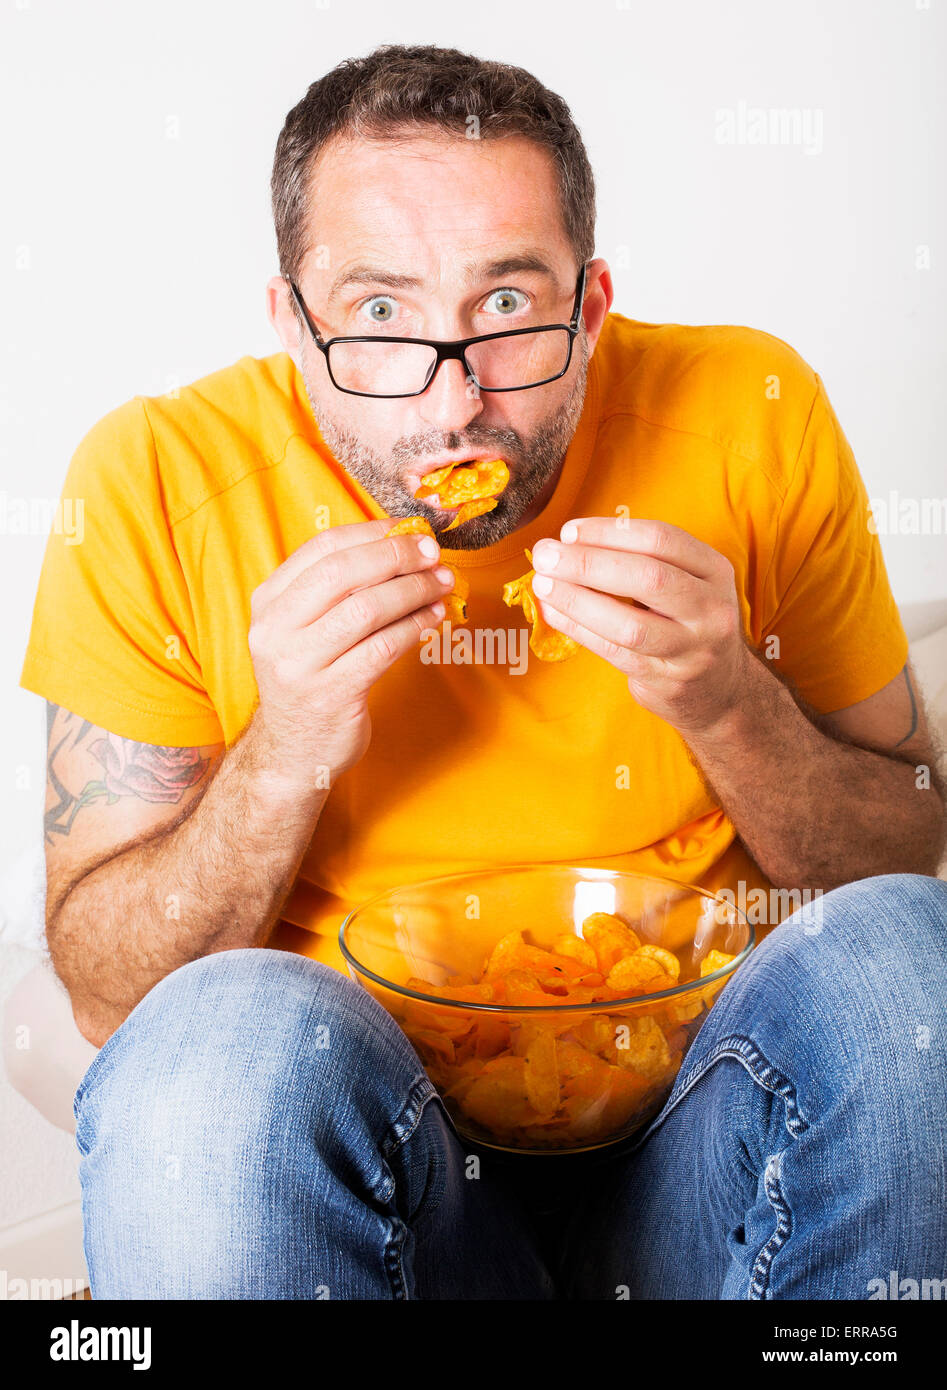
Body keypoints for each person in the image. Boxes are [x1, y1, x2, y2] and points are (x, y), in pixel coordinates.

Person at [20, 44, 946, 1299]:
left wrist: (729, 700)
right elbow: (103, 987)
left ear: (592, 303)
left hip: (700, 1144)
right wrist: (283, 749)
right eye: (382, 314)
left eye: (507, 307)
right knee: (212, 1049)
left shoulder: (750, 409)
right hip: (362, 1160)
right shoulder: (154, 480)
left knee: (904, 955)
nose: (449, 402)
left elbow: (900, 853)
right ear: (293, 320)